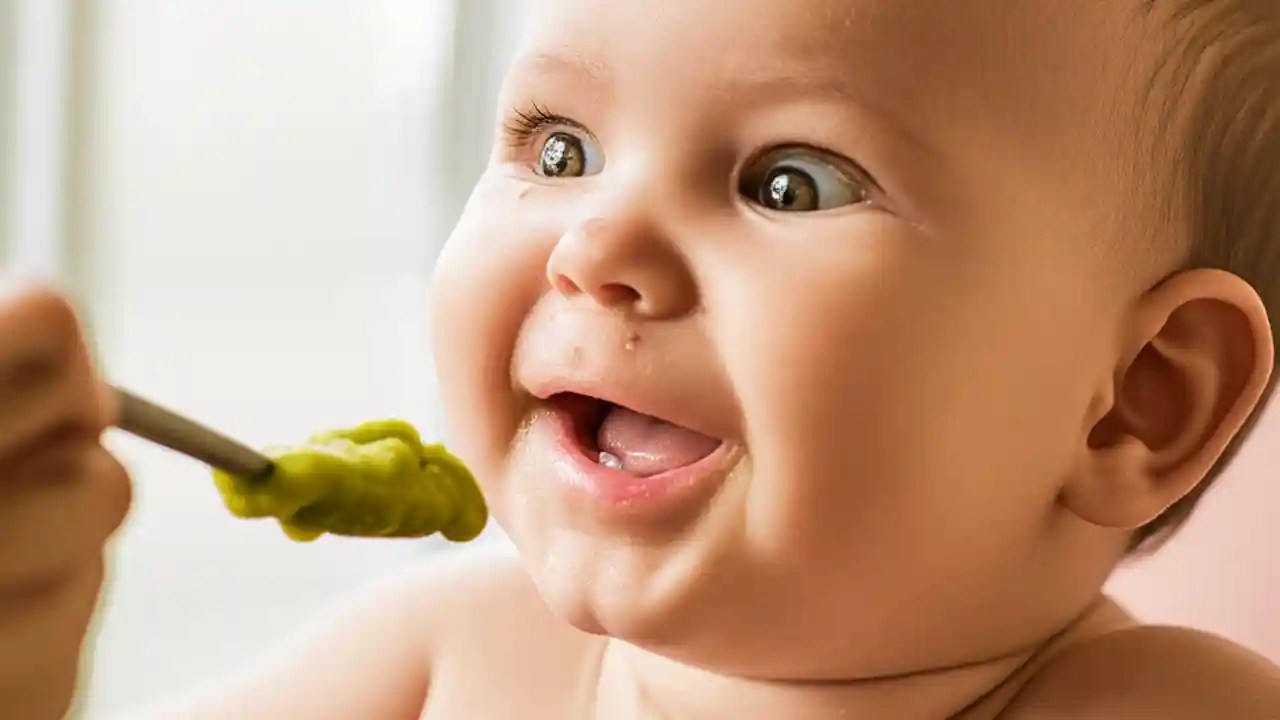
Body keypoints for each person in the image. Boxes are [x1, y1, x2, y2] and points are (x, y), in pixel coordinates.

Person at [3, 0, 1280, 717]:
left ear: (1135, 402)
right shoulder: (453, 659)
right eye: (559, 151)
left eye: (789, 181)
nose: (594, 242)